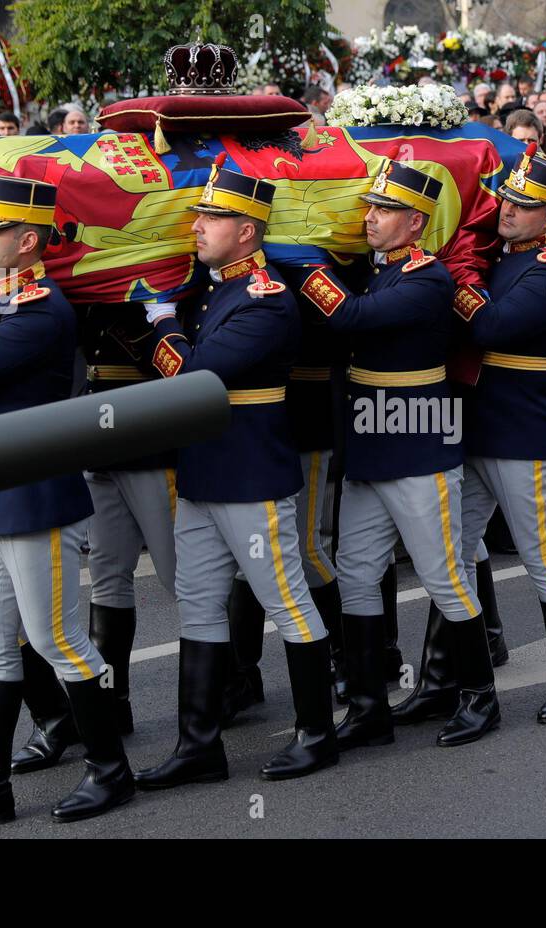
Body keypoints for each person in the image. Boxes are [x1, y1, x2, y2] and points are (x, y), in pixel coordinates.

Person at [0, 170, 135, 831]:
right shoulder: (3, 305)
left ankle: (110, 770)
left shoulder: (42, 313)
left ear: (29, 240)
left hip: (37, 498)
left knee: (60, 640)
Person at [135, 154, 337, 785]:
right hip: (203, 473)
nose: (197, 224)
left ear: (247, 229)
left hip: (249, 472)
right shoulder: (219, 288)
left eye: (212, 215)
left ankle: (316, 733)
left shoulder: (267, 298)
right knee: (197, 604)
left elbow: (197, 376)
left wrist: (160, 327)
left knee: (287, 602)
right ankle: (199, 745)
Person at [304, 156, 499, 749]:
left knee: (443, 574)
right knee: (359, 573)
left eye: (385, 209)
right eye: (370, 206)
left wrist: (306, 266)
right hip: (371, 444)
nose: (370, 217)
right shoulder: (375, 269)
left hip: (417, 440)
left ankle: (478, 695)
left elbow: (352, 318)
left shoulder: (426, 278)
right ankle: (368, 707)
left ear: (416, 224)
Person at [397, 144, 546, 728]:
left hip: (519, 429)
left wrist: (453, 276)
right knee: (452, 554)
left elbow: (490, 325)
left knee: (541, 556)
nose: (508, 210)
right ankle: (452, 678)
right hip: (474, 424)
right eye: (506, 198)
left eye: (524, 204)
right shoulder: (497, 259)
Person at [75, 301, 179, 735]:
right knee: (108, 575)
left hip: (150, 432)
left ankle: (225, 682)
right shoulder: (89, 283)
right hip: (101, 438)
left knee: (182, 575)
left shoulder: (156, 280)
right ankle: (114, 701)